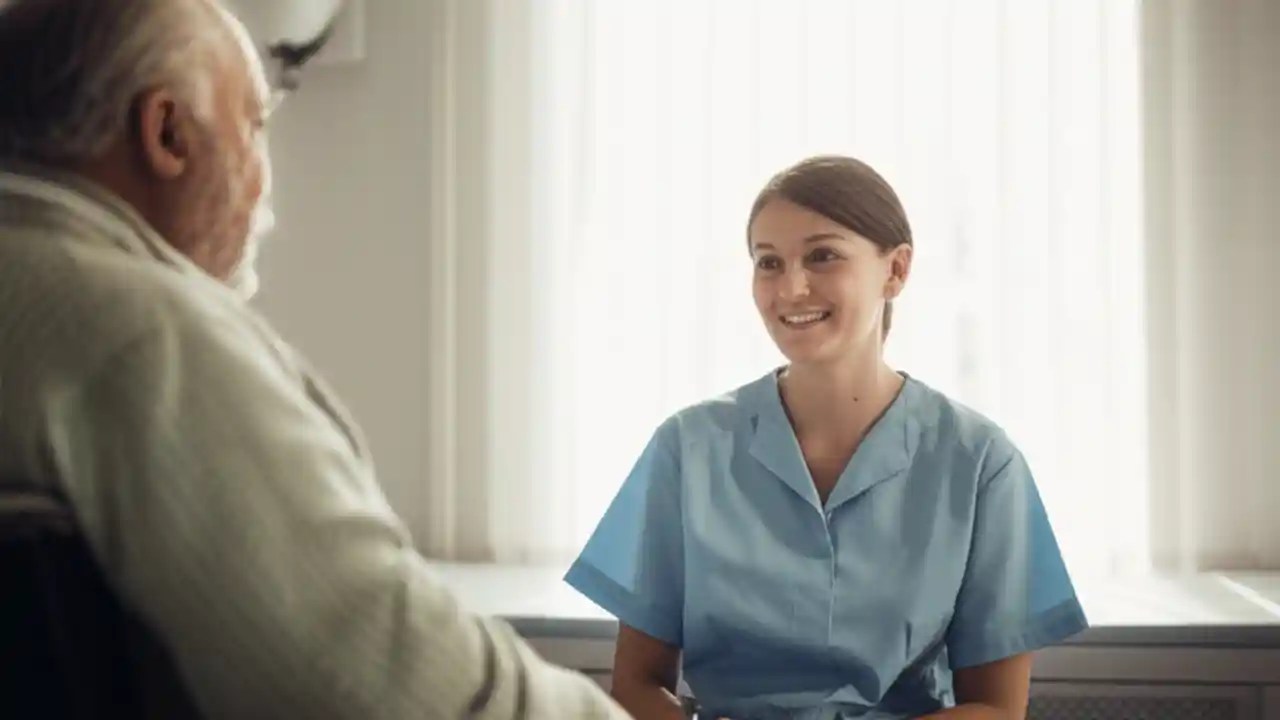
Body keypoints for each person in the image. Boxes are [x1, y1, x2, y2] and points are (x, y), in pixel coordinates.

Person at [0, 0, 627, 717]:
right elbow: (413, 696)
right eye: (256, 124)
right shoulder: (140, 335)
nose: (267, 185)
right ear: (167, 132)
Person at [565, 156, 1088, 720]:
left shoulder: (981, 463)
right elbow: (636, 688)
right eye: (769, 262)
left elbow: (995, 708)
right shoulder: (686, 450)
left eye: (823, 256)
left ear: (896, 270)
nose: (791, 287)